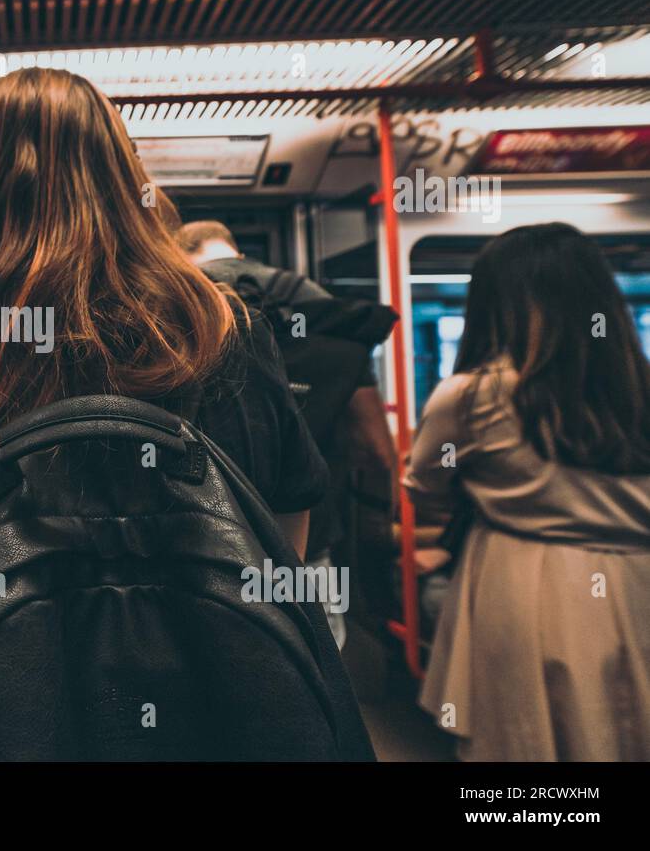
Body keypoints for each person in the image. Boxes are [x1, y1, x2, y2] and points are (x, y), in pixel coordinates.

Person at [0, 69, 339, 755]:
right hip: (212, 709)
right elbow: (279, 541)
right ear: (125, 173)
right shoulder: (221, 329)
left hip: (3, 716)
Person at [406, 223, 650, 761]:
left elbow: (425, 489)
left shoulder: (471, 397)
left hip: (524, 577)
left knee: (530, 743)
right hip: (639, 579)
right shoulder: (637, 389)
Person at [177, 219, 398, 647]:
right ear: (238, 252)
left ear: (183, 258)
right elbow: (374, 449)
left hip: (205, 544)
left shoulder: (178, 306)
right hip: (310, 531)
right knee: (318, 660)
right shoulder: (320, 306)